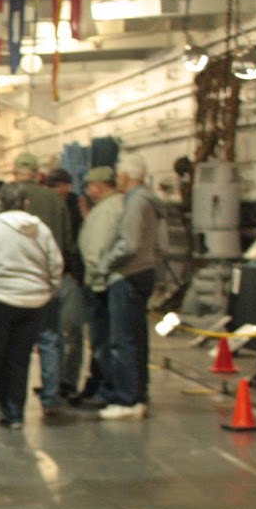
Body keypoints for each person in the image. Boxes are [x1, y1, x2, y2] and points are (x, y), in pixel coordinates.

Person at [0, 183, 63, 429]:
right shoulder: (41, 229)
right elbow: (56, 263)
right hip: (34, 302)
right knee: (19, 360)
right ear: (26, 203)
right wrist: (49, 289)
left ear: (1, 203)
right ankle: (14, 414)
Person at [8, 153, 76, 416]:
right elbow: (67, 241)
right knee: (49, 340)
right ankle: (51, 397)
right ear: (38, 174)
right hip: (46, 281)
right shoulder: (54, 200)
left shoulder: (7, 195)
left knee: (16, 345)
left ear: (16, 173)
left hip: (11, 285)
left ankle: (13, 401)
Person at [96, 154, 163, 420]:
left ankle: (128, 398)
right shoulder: (152, 201)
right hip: (145, 270)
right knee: (136, 339)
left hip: (128, 274)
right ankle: (138, 392)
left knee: (123, 340)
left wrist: (106, 263)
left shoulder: (136, 202)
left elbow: (130, 243)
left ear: (126, 176)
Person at [74, 166, 124, 408]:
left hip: (99, 284)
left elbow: (97, 248)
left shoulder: (107, 210)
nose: (87, 191)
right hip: (103, 281)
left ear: (99, 185)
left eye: (89, 186)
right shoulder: (113, 207)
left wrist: (94, 274)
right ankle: (109, 387)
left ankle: (109, 390)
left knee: (102, 340)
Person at [46, 168, 89, 402]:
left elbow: (77, 241)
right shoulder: (50, 206)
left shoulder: (76, 207)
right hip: (52, 277)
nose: (60, 191)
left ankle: (68, 381)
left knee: (72, 330)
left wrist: (75, 272)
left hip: (71, 277)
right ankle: (54, 382)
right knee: (53, 333)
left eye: (61, 186)